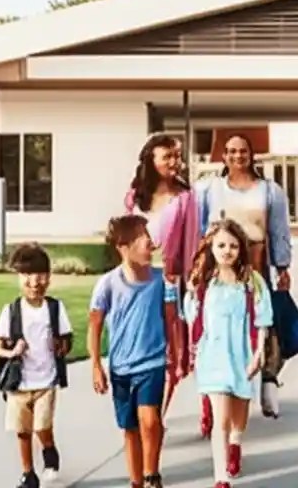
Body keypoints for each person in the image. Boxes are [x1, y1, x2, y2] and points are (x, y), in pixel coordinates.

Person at [195, 133, 294, 431]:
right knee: (215, 330)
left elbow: (278, 231)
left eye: (243, 151)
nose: (238, 156)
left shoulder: (269, 191)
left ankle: (267, 378)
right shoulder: (210, 190)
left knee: (261, 327)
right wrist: (198, 266)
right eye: (231, 151)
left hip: (255, 262)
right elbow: (201, 232)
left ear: (252, 155)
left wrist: (283, 267)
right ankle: (211, 403)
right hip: (218, 267)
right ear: (223, 156)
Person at [88, 214, 181, 488]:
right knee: (130, 428)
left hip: (152, 362)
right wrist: (96, 365)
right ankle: (136, 480)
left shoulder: (161, 281)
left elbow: (171, 320)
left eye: (149, 237)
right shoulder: (107, 284)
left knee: (150, 420)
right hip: (120, 368)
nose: (150, 244)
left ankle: (152, 474)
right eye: (142, 239)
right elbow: (95, 326)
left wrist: (174, 357)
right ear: (123, 247)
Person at [184, 219, 274, 487]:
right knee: (219, 419)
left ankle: (235, 442)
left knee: (239, 416)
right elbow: (192, 318)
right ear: (211, 246)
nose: (227, 251)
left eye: (233, 246)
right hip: (212, 357)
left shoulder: (251, 282)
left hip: (242, 356)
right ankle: (220, 478)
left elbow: (262, 320)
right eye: (221, 245)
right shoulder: (204, 283)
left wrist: (259, 353)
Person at [123, 133, 200, 421]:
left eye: (176, 156)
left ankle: (156, 417)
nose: (173, 162)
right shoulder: (134, 197)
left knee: (170, 350)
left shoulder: (185, 198)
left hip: (168, 282)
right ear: (150, 160)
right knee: (141, 345)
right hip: (138, 282)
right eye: (166, 156)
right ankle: (143, 409)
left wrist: (191, 280)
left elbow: (191, 240)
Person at [0, 243, 74, 488]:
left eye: (39, 275)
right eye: (27, 275)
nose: (33, 281)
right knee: (22, 430)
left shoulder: (54, 308)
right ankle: (28, 474)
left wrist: (61, 346)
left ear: (48, 278)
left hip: (46, 381)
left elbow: (67, 341)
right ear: (19, 278)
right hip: (19, 383)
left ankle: (49, 448)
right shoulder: (11, 311)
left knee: (41, 426)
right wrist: (12, 351)